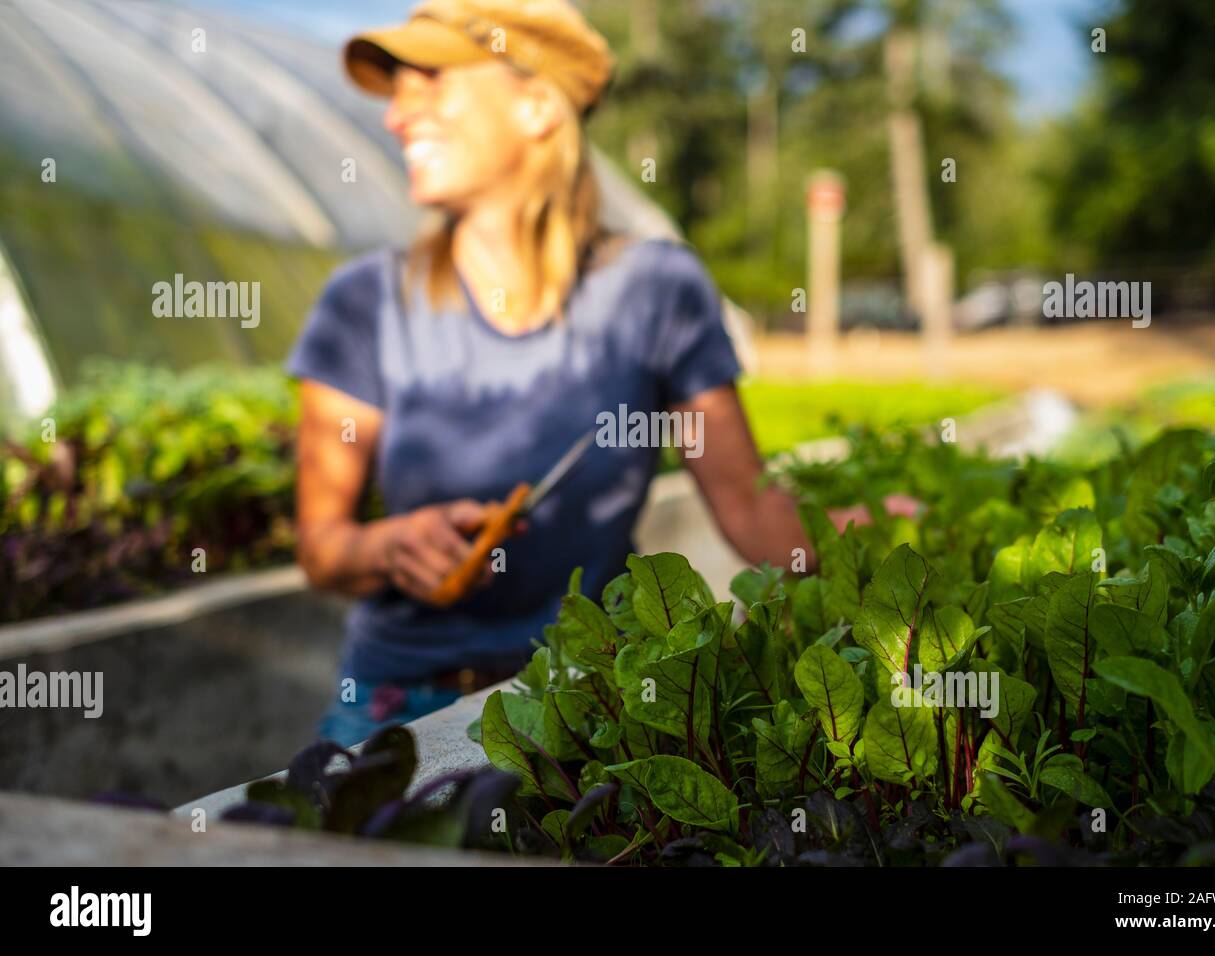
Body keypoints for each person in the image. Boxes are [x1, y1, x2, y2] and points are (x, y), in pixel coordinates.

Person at [286, 0, 881, 747]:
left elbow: (751, 511)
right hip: (396, 708)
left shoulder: (658, 289)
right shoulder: (363, 301)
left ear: (537, 104)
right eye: (398, 91)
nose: (397, 118)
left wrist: (875, 534)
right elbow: (321, 547)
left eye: (431, 81)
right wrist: (387, 546)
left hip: (585, 704)